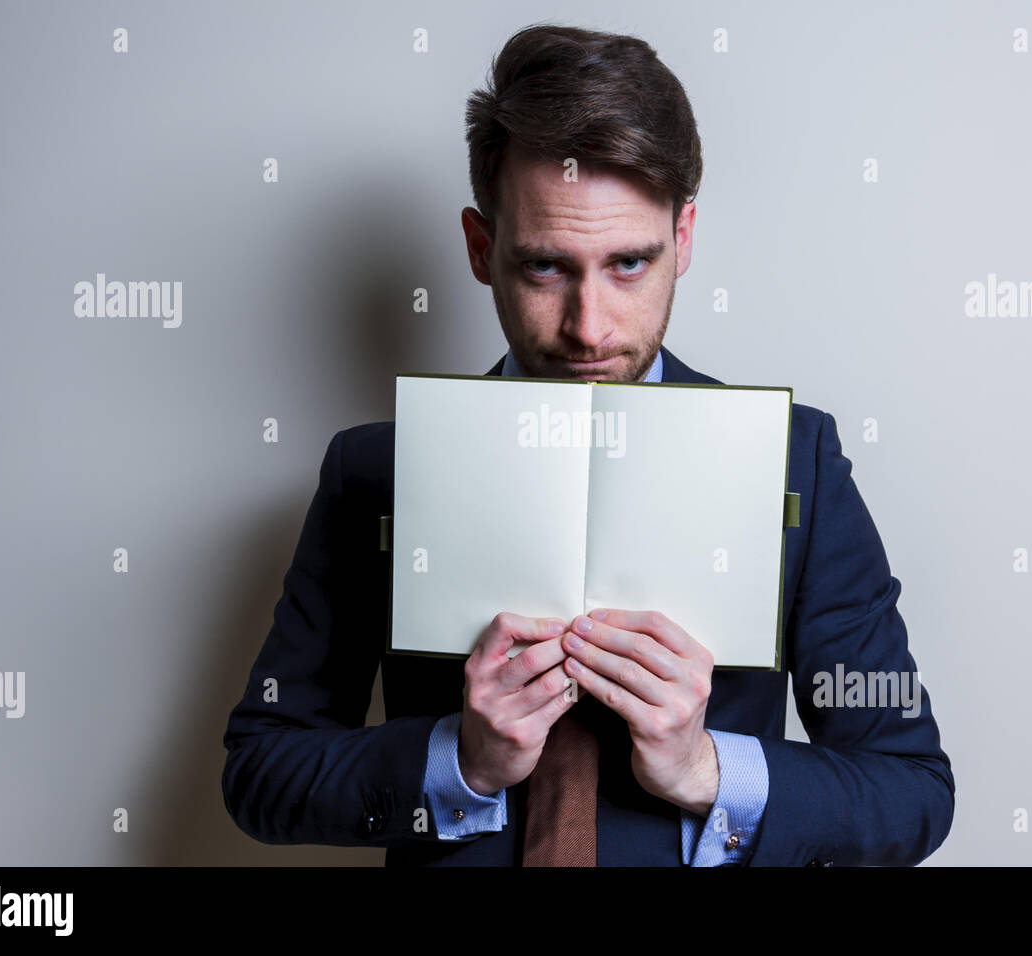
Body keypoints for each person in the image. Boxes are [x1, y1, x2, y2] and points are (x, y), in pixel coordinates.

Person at [221, 23, 953, 866]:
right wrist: (457, 760)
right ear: (480, 247)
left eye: (630, 264)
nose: (589, 328)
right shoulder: (373, 474)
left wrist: (708, 769)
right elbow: (261, 770)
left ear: (683, 240)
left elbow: (911, 790)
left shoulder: (798, 465)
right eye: (544, 268)